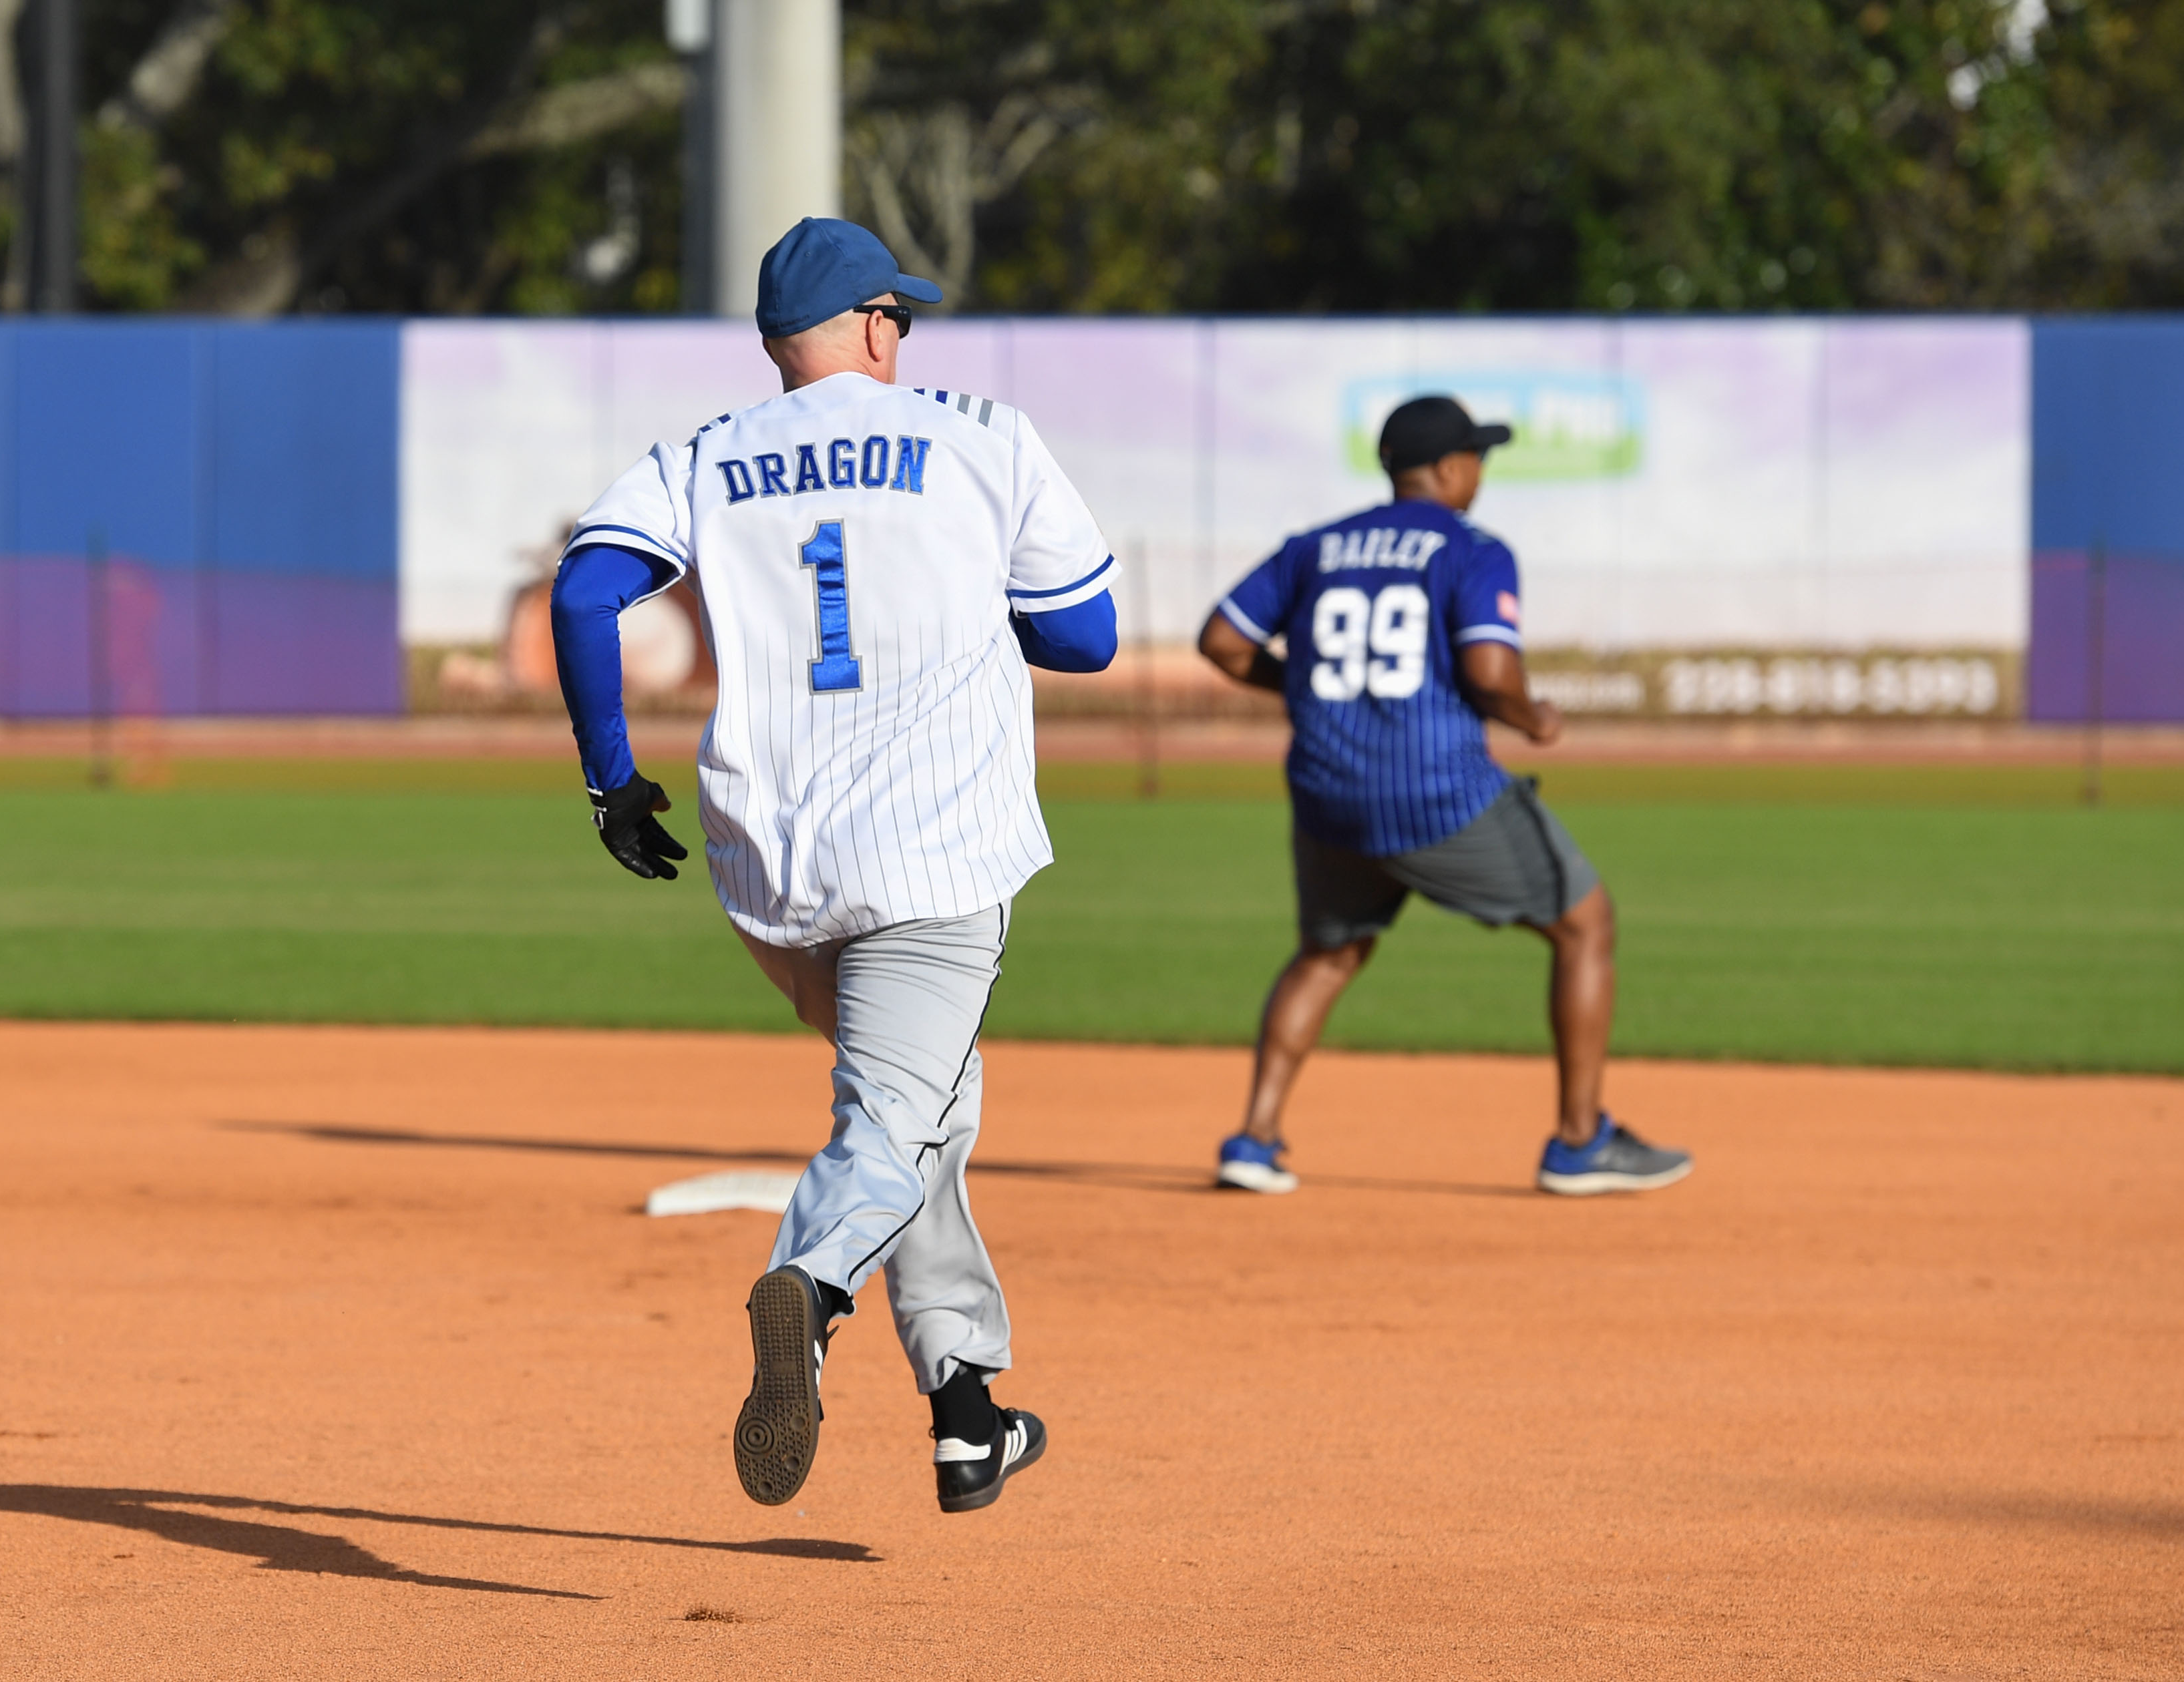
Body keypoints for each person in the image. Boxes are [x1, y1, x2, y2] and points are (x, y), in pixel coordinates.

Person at [549, 218, 1120, 1514]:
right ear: (872, 324)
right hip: (932, 851)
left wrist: (610, 782)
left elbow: (584, 596)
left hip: (768, 864)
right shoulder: (982, 435)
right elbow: (1086, 635)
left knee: (930, 1104)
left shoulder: (706, 454)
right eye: (897, 315)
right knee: (890, 1119)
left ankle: (967, 1407)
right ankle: (807, 1289)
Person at [1197, 394, 1691, 1199]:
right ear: (1451, 467)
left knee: (1327, 953)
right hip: (1437, 792)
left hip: (1328, 790)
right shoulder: (1472, 548)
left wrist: (1309, 689)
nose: (1480, 473)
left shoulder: (1315, 546)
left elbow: (1221, 640)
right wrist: (1534, 717)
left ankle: (1254, 1138)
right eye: (1478, 458)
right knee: (1585, 923)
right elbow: (1491, 673)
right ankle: (1579, 1141)